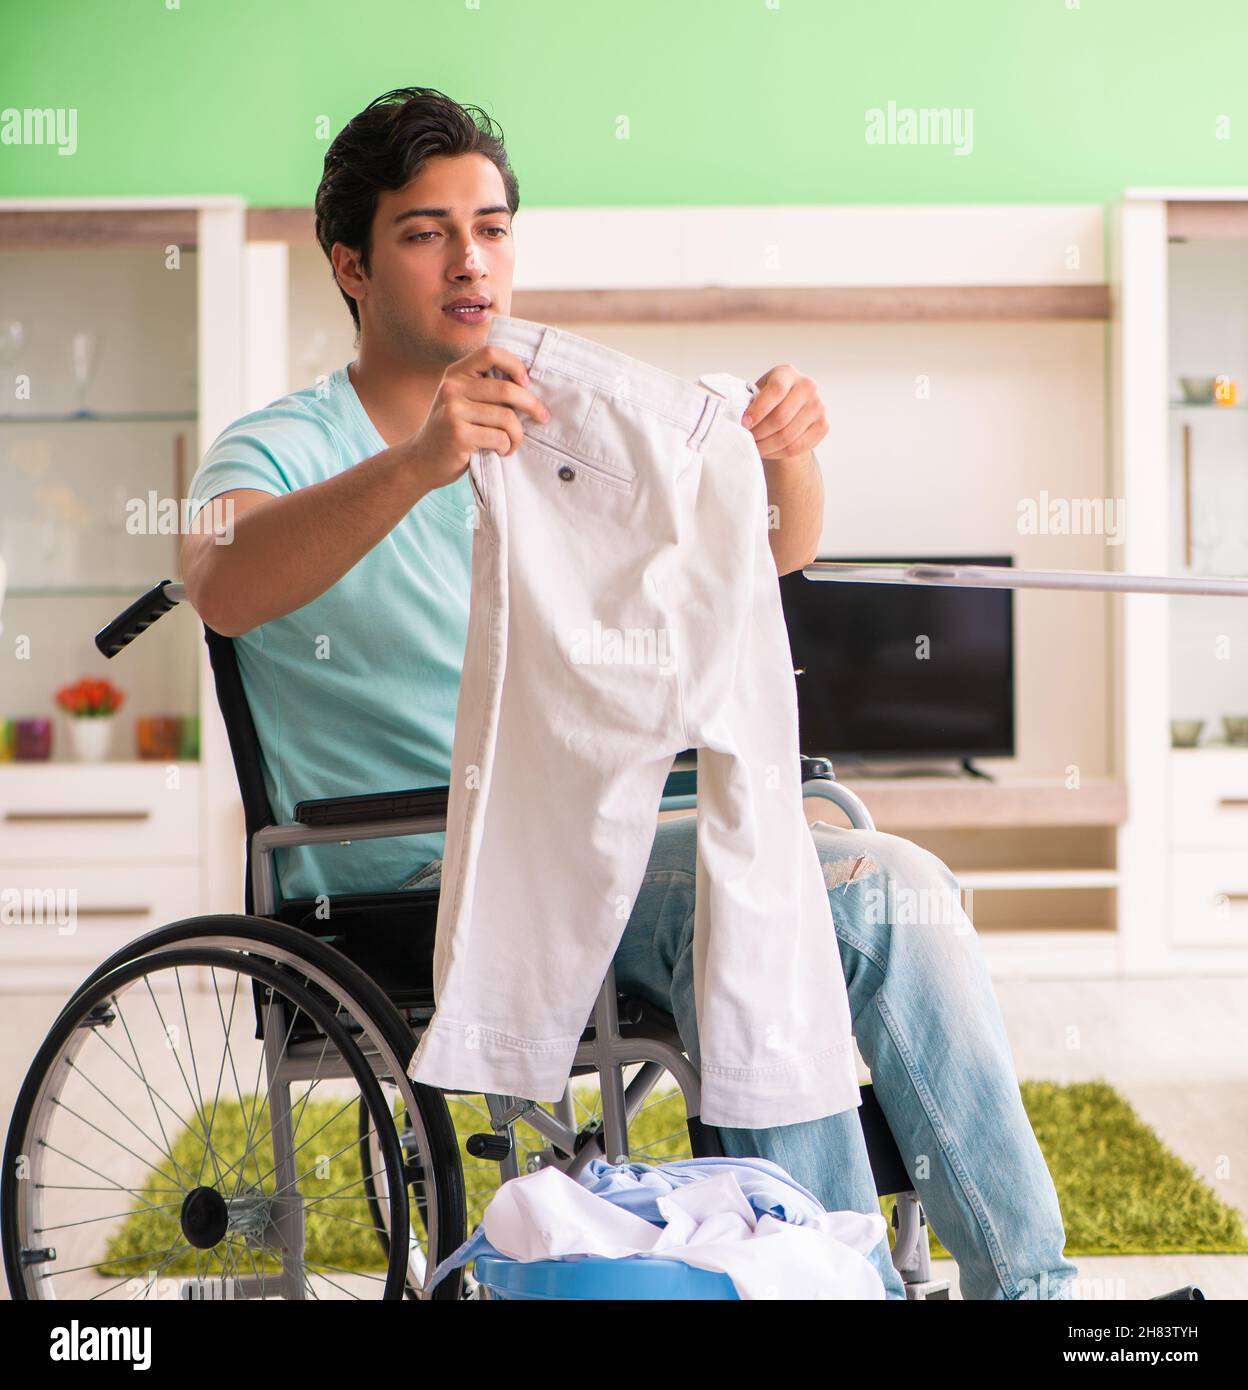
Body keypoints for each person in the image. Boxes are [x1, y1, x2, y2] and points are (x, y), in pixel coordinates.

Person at [183, 86, 1116, 1301]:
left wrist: (783, 450)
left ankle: (1031, 1292)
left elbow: (769, 549)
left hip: (588, 835)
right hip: (409, 872)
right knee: (763, 891)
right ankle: (831, 1285)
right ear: (351, 264)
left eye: (494, 226)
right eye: (426, 232)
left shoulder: (558, 418)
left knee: (896, 890)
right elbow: (217, 574)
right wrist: (420, 464)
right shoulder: (284, 442)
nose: (473, 259)